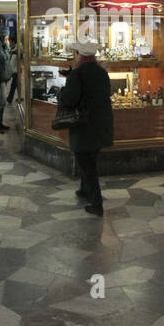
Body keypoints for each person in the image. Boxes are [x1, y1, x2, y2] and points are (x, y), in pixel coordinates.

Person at [55, 39, 114, 215]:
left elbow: (69, 98)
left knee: (86, 162)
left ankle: (96, 204)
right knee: (90, 158)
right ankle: (84, 190)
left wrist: (61, 93)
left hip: (84, 124)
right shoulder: (101, 72)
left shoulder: (79, 73)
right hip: (101, 123)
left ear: (79, 54)